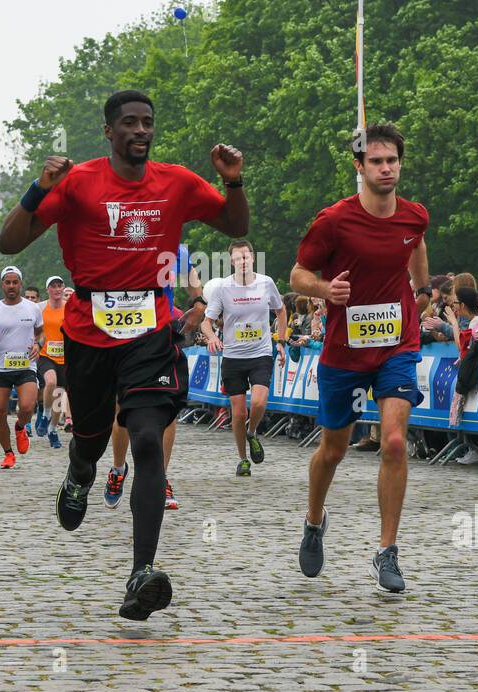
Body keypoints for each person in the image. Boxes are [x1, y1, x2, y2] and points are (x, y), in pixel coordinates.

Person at [0, 89, 247, 620]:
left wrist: (233, 180)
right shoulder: (79, 183)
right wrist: (38, 189)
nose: (140, 130)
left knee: (149, 442)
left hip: (151, 332)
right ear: (109, 132)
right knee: (88, 440)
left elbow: (235, 226)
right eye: (129, 123)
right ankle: (79, 474)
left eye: (147, 123)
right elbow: (9, 244)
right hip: (90, 335)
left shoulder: (176, 182)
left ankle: (141, 573)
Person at [291, 123, 430, 594]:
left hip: (397, 345)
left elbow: (415, 247)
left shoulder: (414, 217)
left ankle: (387, 550)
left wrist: (422, 291)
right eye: (376, 161)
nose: (386, 168)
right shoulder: (334, 221)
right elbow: (297, 274)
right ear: (359, 166)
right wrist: (325, 289)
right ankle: (314, 521)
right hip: (345, 354)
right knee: (334, 449)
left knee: (393, 441)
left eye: (392, 160)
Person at [104, 246, 206, 510]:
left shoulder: (174, 246)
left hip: (160, 337)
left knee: (168, 408)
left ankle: (160, 477)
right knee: (121, 408)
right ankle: (118, 468)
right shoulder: (116, 242)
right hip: (122, 336)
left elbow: (193, 282)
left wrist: (199, 305)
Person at [201, 239, 287, 476]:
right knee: (239, 413)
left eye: (246, 257)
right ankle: (242, 459)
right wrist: (211, 338)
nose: (242, 261)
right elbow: (206, 323)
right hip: (233, 357)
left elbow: (280, 310)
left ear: (252, 258)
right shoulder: (223, 288)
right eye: (237, 258)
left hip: (260, 353)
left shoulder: (266, 283)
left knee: (258, 403)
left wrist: (280, 341)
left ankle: (252, 433)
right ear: (232, 261)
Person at [0, 265, 42, 469]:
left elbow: (41, 332)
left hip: (26, 365)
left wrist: (38, 343)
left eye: (15, 282)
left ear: (20, 284)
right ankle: (8, 453)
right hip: (1, 368)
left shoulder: (32, 308)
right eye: (7, 282)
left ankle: (20, 426)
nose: (11, 286)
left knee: (26, 406)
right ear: (2, 285)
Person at [37, 276, 70, 449]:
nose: (57, 289)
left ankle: (52, 429)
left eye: (60, 286)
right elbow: (33, 327)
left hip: (65, 357)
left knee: (59, 394)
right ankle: (45, 415)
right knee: (51, 382)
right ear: (47, 289)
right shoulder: (40, 307)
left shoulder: (70, 307)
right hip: (46, 355)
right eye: (53, 286)